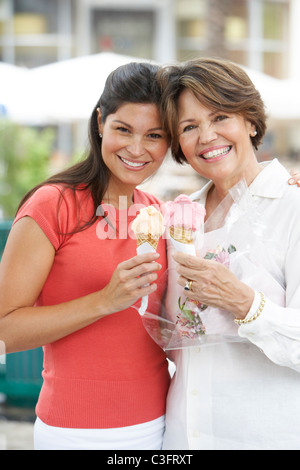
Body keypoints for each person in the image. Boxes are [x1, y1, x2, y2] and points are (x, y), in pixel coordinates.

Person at [0, 62, 171, 450]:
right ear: (99, 122)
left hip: (163, 425)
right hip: (77, 432)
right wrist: (103, 301)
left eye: (154, 135)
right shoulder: (53, 205)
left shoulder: (160, 213)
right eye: (123, 129)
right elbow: (4, 330)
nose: (136, 148)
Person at [159, 57, 300, 450]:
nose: (206, 136)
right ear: (180, 146)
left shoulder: (293, 207)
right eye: (189, 127)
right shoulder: (176, 220)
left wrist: (245, 302)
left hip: (264, 437)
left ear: (251, 121)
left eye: (220, 116)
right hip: (182, 437)